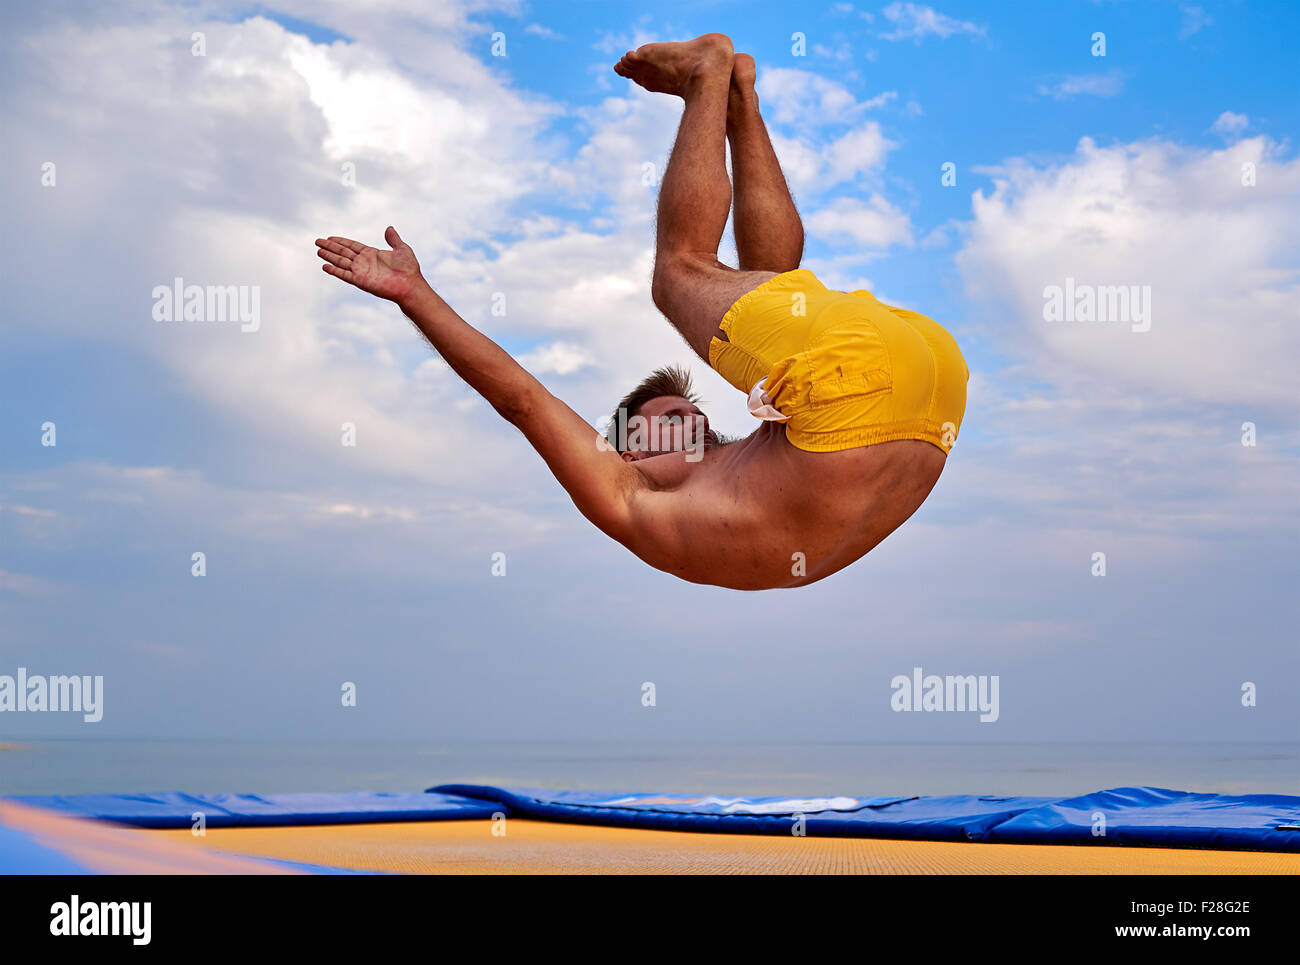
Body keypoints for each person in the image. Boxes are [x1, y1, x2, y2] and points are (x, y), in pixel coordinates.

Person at [315, 33, 967, 590]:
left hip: (911, 383)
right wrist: (416, 297)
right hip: (908, 392)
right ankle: (723, 86)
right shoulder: (631, 502)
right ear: (623, 454)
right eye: (670, 424)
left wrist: (417, 294)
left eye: (684, 419)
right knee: (687, 276)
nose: (689, 427)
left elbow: (523, 399)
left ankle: (719, 83)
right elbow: (522, 399)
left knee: (752, 288)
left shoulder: (725, 471)